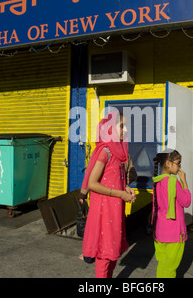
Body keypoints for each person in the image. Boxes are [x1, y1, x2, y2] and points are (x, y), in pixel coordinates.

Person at [78, 111, 136, 278]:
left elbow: (113, 178)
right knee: (104, 254)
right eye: (122, 126)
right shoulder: (106, 151)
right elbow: (92, 183)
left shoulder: (120, 154)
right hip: (104, 211)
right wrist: (119, 193)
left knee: (112, 254)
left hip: (115, 209)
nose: (125, 130)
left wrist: (125, 188)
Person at [151, 149, 191, 278]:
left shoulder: (157, 181)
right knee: (170, 269)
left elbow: (155, 207)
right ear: (168, 163)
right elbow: (186, 202)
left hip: (159, 231)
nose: (180, 166)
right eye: (178, 163)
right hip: (174, 233)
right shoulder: (174, 182)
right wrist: (184, 182)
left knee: (163, 265)